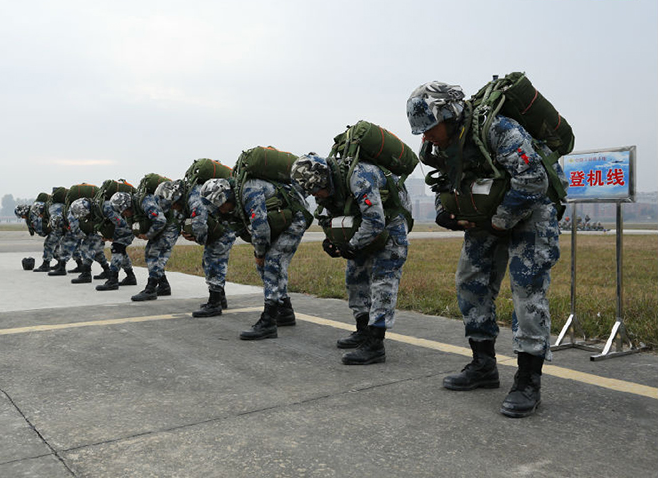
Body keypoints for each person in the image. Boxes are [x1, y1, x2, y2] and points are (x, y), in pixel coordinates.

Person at [407, 81, 566, 418]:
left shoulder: (499, 129)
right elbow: (447, 180)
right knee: (470, 282)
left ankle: (528, 380)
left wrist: (501, 221)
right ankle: (483, 365)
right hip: (490, 216)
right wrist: (445, 211)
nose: (427, 136)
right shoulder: (443, 143)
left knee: (526, 290)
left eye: (430, 127)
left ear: (448, 115)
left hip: (532, 210)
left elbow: (533, 180)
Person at [290, 153, 411, 365]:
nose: (316, 195)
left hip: (392, 224)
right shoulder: (326, 186)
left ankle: (375, 343)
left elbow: (375, 221)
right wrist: (331, 240)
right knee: (354, 277)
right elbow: (328, 214)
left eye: (317, 190)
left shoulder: (360, 176)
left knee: (383, 281)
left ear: (323, 178)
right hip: (364, 226)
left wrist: (351, 245)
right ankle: (363, 330)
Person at [200, 175, 308, 340]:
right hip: (280, 220)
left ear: (223, 198)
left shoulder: (249, 191)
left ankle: (268, 322)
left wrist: (260, 253)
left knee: (272, 262)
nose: (221, 211)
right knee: (265, 265)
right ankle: (284, 310)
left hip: (296, 218)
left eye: (220, 206)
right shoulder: (234, 203)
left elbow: (260, 227)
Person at [179, 169, 237, 318]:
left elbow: (199, 223)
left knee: (214, 262)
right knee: (210, 262)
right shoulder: (193, 193)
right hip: (223, 227)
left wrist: (198, 239)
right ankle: (220, 299)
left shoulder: (194, 198)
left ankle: (215, 304)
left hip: (224, 229)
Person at [123, 178, 181, 301]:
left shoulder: (145, 202)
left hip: (170, 226)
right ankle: (164, 286)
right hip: (164, 227)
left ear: (127, 206)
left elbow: (160, 220)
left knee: (155, 255)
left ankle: (151, 289)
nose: (124, 215)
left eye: (124, 212)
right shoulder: (135, 206)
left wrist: (148, 235)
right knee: (150, 253)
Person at [95, 191, 138, 291]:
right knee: (121, 251)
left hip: (128, 228)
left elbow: (121, 224)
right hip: (127, 227)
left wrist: (113, 236)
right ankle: (130, 276)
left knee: (117, 248)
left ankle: (113, 280)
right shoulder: (100, 209)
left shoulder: (107, 208)